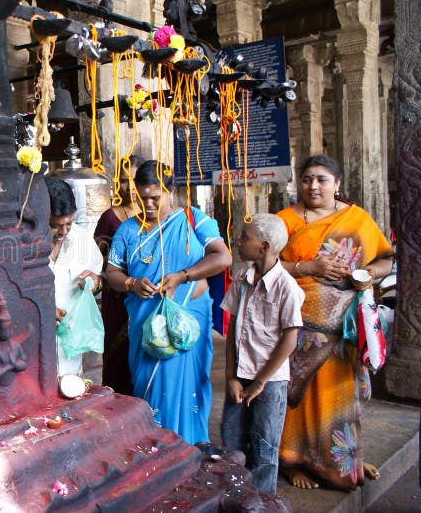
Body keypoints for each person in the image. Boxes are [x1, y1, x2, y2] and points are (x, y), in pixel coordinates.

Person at [276, 154, 393, 490]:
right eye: (307, 178)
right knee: (297, 394)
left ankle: (342, 459)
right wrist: (308, 268)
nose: (313, 185)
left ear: (337, 184)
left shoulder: (356, 219)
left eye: (322, 179)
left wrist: (368, 273)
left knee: (338, 397)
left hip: (343, 329)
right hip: (296, 327)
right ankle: (294, 460)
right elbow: (261, 267)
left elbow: (385, 259)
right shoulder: (284, 220)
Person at [105, 160, 232, 444]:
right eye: (143, 197)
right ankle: (157, 448)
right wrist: (131, 283)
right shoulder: (127, 231)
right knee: (149, 387)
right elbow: (111, 273)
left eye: (155, 197)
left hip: (188, 321)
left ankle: (190, 444)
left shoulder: (193, 219)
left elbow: (222, 257)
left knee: (189, 384)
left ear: (170, 191)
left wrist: (183, 276)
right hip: (146, 325)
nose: (148, 205)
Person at [220, 213, 304, 494]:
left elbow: (289, 340)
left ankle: (261, 502)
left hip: (270, 383)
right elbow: (232, 331)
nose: (239, 242)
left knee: (264, 447)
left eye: (245, 238)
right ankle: (235, 499)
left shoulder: (287, 288)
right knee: (231, 442)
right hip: (240, 377)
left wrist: (260, 382)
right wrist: (231, 377)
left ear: (265, 246)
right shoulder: (243, 278)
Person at [94, 154, 144, 395]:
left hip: (146, 299)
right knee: (117, 363)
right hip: (117, 303)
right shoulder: (109, 218)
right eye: (124, 180)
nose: (129, 187)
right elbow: (99, 261)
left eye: (134, 180)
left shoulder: (155, 217)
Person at [45, 177, 104, 378]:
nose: (63, 231)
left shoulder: (81, 240)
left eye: (68, 223)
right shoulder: (21, 245)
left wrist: (95, 282)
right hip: (35, 352)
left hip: (70, 353)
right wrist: (41, 310)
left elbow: (98, 280)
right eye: (54, 225)